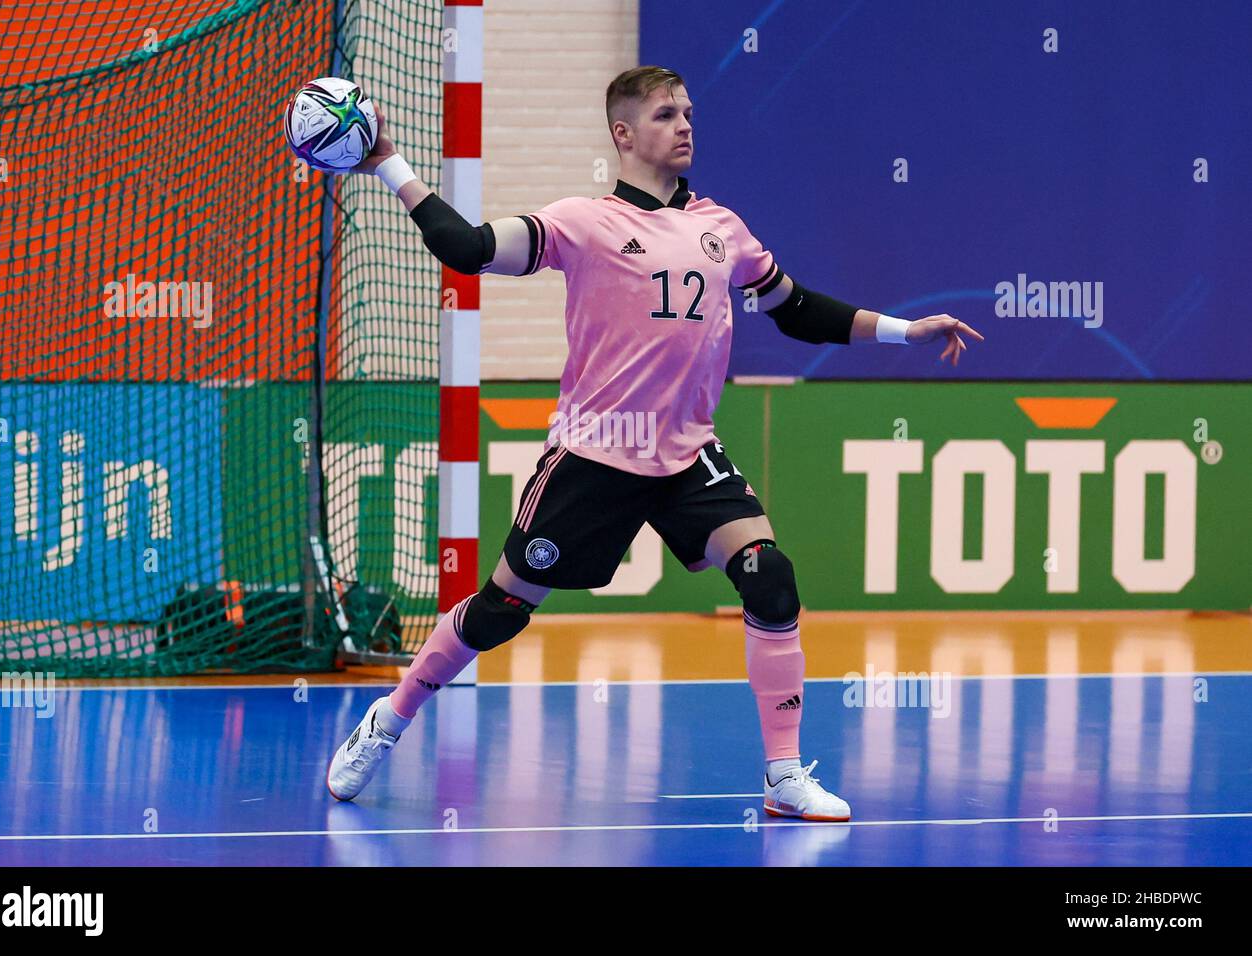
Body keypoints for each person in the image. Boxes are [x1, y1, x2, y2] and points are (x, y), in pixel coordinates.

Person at [326, 66, 983, 820]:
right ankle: (389, 719)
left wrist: (905, 329)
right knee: (501, 610)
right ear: (624, 134)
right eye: (667, 114)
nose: (685, 124)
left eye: (689, 112)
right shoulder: (582, 222)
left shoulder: (722, 227)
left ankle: (781, 776)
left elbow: (795, 308)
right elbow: (469, 249)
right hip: (594, 453)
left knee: (770, 578)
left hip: (686, 451)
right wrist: (389, 166)